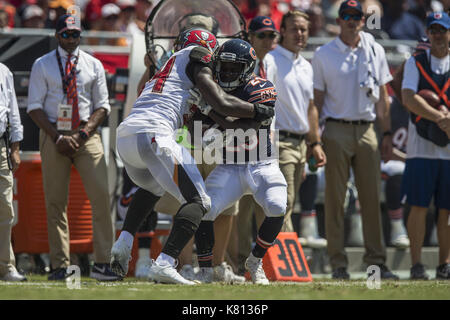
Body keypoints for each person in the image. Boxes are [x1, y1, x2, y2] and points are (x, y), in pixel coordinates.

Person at [110, 27, 274, 285]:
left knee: (152, 187)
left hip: (127, 137)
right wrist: (256, 110)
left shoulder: (169, 71)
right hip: (155, 133)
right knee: (201, 201)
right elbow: (221, 102)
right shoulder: (198, 55)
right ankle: (165, 263)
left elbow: (209, 115)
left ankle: (123, 242)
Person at [27, 14, 120, 281]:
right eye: (67, 34)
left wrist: (81, 134)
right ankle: (60, 265)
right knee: (55, 202)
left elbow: (102, 105)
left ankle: (103, 262)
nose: (71, 39)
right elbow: (34, 107)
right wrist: (57, 137)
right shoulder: (42, 64)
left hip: (85, 134)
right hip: (53, 133)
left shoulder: (93, 64)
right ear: (57, 35)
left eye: (75, 34)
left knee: (101, 197)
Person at [312, 0, 398, 280]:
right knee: (336, 200)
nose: (352, 20)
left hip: (367, 128)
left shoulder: (374, 48)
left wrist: (385, 132)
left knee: (371, 198)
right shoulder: (324, 53)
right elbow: (317, 99)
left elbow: (383, 95)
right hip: (336, 128)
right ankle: (338, 265)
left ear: (363, 20)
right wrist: (319, 135)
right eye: (347, 16)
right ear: (338, 20)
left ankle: (376, 265)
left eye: (357, 16)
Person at [192, 38, 287, 284]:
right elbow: (197, 131)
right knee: (204, 209)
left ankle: (254, 262)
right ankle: (205, 269)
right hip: (229, 165)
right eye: (223, 66)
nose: (227, 72)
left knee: (277, 206)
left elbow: (245, 126)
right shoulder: (212, 88)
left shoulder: (261, 87)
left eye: (234, 68)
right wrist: (211, 118)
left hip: (262, 163)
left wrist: (211, 111)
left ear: (247, 68)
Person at [264, 10, 326, 235]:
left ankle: (273, 261)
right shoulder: (271, 59)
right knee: (283, 204)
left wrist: (314, 143)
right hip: (279, 142)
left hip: (301, 145)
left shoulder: (306, 66)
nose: (299, 34)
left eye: (304, 29)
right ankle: (279, 262)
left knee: (287, 205)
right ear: (282, 31)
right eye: (294, 29)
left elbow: (311, 108)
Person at [401, 12, 450, 280]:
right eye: (433, 30)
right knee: (419, 206)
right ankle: (416, 264)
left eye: (442, 30)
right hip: (420, 145)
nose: (438, 35)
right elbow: (409, 98)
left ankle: (445, 263)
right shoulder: (415, 62)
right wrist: (442, 118)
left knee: (447, 209)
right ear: (428, 34)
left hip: (448, 149)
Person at [234, 15, 278, 275]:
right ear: (250, 37)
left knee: (271, 202)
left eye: (271, 35)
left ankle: (265, 263)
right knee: (240, 203)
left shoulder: (275, 61)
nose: (267, 40)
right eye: (261, 35)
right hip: (239, 137)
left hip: (268, 139)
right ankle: (239, 262)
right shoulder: (241, 60)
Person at [0, 62, 25, 282]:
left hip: (1, 147)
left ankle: (6, 267)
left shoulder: (4, 71)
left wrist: (15, 148)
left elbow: (13, 112)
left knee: (6, 209)